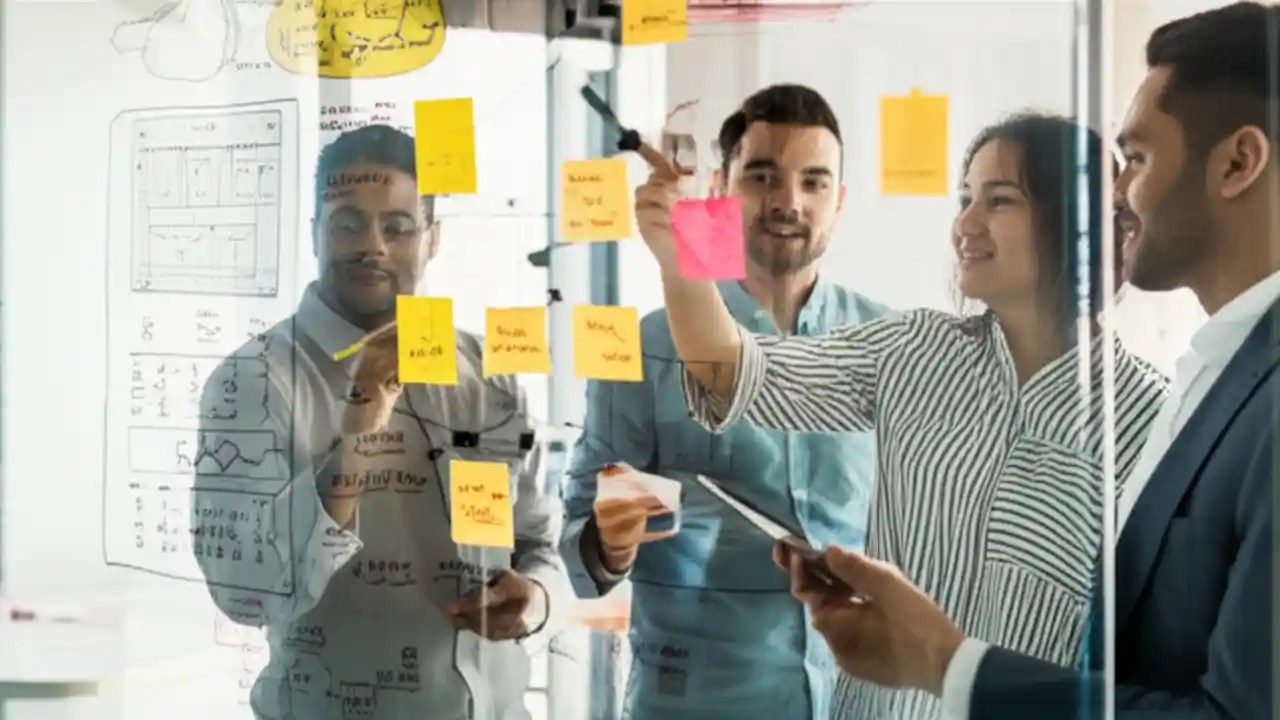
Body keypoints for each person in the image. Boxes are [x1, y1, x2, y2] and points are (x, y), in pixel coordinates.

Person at [780, 3, 1277, 719]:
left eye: (1135, 159)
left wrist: (949, 667)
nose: (1114, 196)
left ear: (1237, 164)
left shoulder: (1223, 396)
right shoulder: (1218, 374)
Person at [631, 107, 1168, 718]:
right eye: (964, 199)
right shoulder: (913, 348)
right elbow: (733, 375)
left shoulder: (1150, 420)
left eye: (998, 201)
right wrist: (683, 256)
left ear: (1072, 223)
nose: (964, 224)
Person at [191, 124, 572, 720]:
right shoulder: (252, 384)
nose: (372, 245)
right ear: (315, 232)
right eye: (348, 223)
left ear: (432, 239)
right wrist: (356, 440)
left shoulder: (488, 375)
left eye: (396, 227)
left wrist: (538, 602)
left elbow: (539, 543)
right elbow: (244, 593)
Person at [559, 84, 892, 720]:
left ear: (839, 202)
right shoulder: (644, 349)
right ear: (721, 186)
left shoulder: (886, 344)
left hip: (862, 698)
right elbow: (579, 539)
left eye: (814, 182)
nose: (789, 202)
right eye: (762, 176)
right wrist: (611, 542)